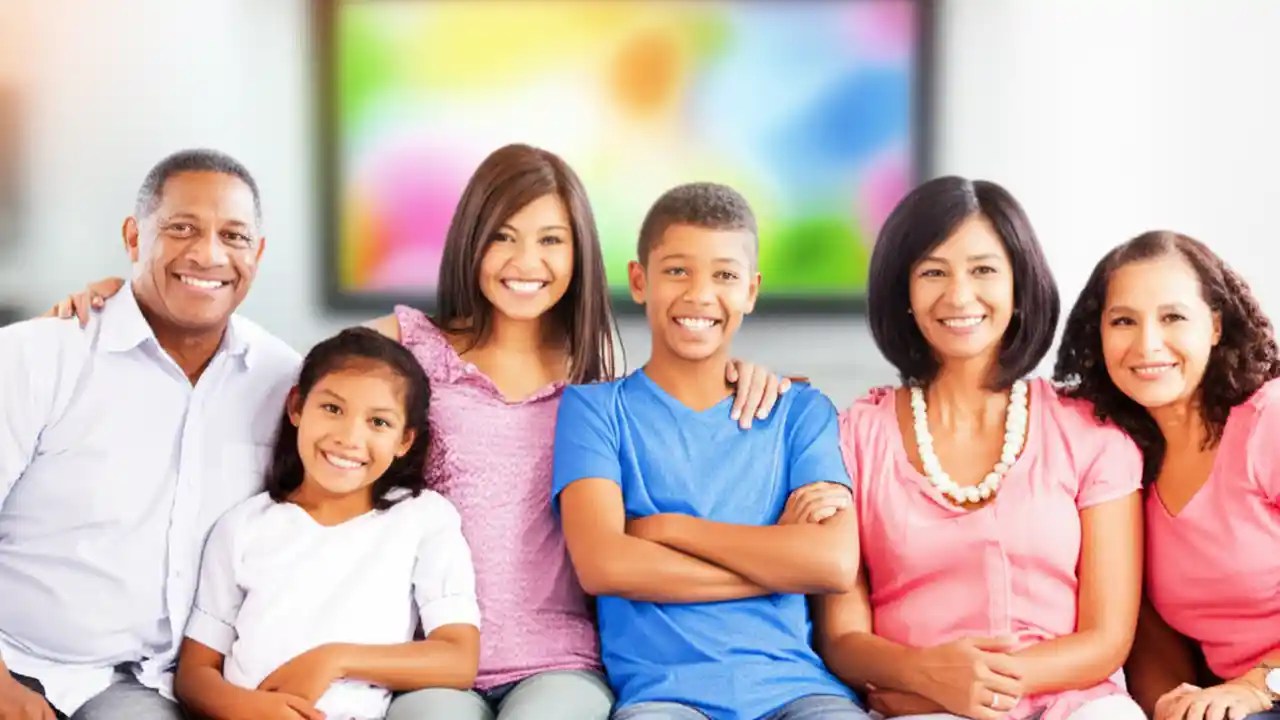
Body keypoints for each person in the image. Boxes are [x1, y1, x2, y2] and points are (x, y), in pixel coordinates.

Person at [50, 144, 791, 720]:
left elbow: (682, 411)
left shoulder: (599, 377)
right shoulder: (410, 346)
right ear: (471, 241)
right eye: (503, 237)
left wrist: (746, 374)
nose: (526, 262)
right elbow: (295, 385)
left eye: (551, 241)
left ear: (579, 254)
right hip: (423, 657)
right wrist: (138, 299)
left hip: (559, 657)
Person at [818, 176, 1145, 720]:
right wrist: (924, 678)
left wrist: (980, 684)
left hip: (1074, 704)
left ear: (1020, 286)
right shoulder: (853, 437)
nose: (959, 295)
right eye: (933, 272)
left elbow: (1107, 638)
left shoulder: (1091, 432)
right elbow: (843, 638)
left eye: (984, 270)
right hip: (925, 708)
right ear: (903, 293)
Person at [0, 149, 301, 720]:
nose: (208, 254)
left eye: (234, 236)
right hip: (25, 663)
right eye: (181, 228)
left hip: (171, 684)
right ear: (134, 237)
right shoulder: (37, 356)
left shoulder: (284, 381)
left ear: (257, 254)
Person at [553, 182, 866, 720]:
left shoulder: (800, 412)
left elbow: (832, 564)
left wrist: (670, 529)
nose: (700, 295)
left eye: (724, 275)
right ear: (639, 280)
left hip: (798, 692)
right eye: (678, 270)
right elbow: (604, 565)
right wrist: (777, 562)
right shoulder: (595, 411)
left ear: (751, 290)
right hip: (663, 698)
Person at [175, 327, 481, 720]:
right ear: (297, 407)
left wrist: (334, 660)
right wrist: (250, 708)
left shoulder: (423, 518)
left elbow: (457, 658)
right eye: (333, 409)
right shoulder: (242, 528)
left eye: (379, 422)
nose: (349, 438)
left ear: (404, 441)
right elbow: (195, 673)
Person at [1054, 230, 1280, 720]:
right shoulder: (1120, 460)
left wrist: (1257, 686)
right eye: (1123, 321)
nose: (1147, 344)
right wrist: (1167, 705)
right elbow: (1149, 630)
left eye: (1173, 317)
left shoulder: (1269, 421)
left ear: (1215, 326)